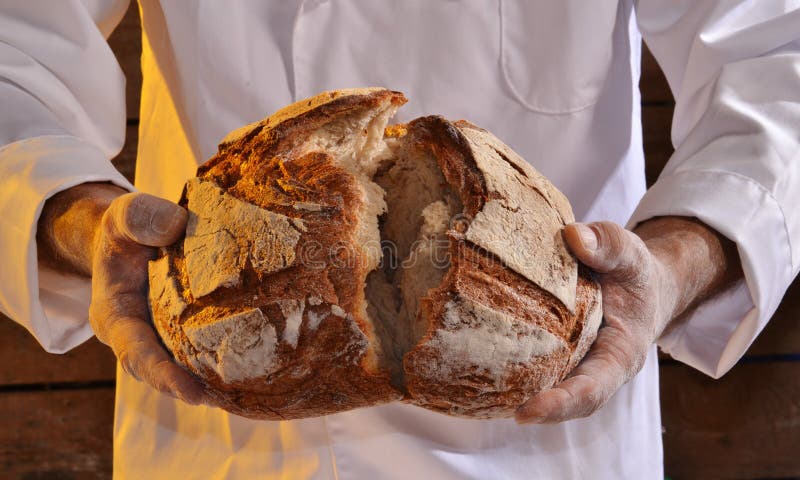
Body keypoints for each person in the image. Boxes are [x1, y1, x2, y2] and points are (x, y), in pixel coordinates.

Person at [1, 1, 798, 478]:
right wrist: (84, 225)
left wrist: (672, 264)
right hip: (224, 418)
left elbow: (775, 52)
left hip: (550, 440)